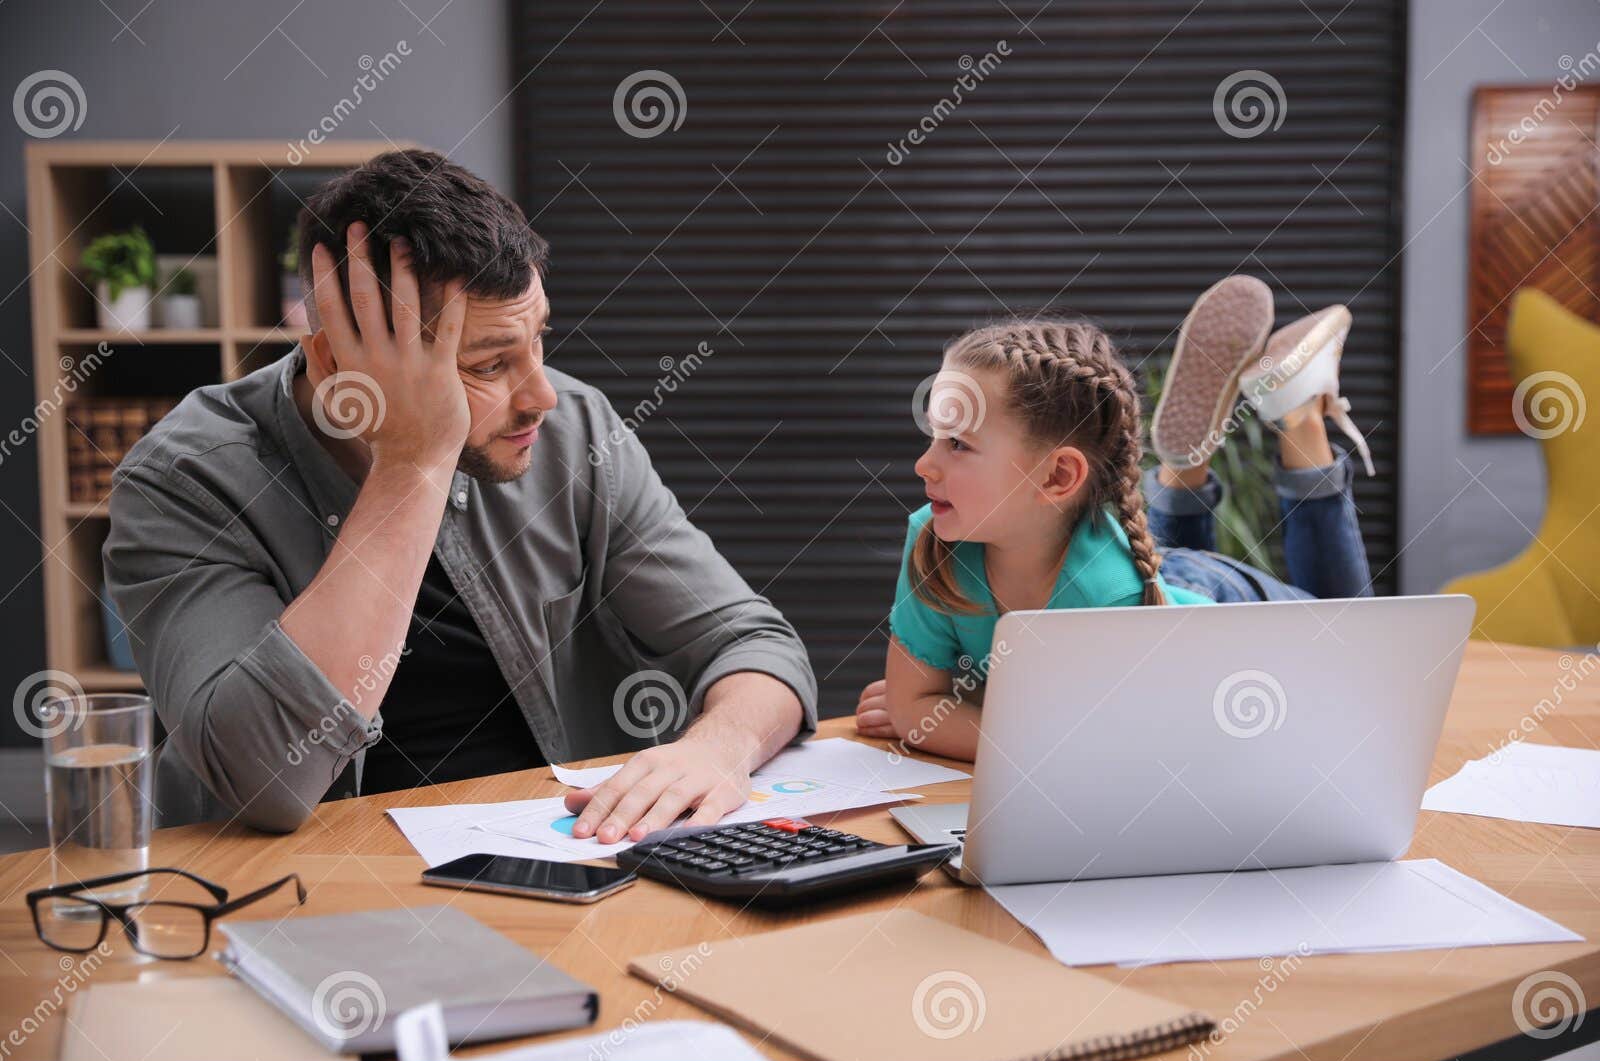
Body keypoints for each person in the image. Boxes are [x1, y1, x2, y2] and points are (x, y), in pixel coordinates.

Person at [105, 148, 816, 837]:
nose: (542, 394)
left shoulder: (574, 436)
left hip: (553, 860)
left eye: (538, 339)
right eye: (490, 362)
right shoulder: (185, 479)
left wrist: (715, 747)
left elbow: (754, 643)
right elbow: (264, 780)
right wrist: (413, 460)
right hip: (299, 895)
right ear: (335, 365)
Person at [853, 274, 1375, 761]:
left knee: (1356, 648)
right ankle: (1183, 467)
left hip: (1214, 604)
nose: (924, 465)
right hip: (1135, 563)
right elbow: (918, 711)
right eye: (934, 438)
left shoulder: (1114, 600)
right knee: (1153, 561)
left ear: (1057, 478)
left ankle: (1300, 413)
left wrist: (970, 709)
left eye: (958, 445)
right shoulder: (934, 542)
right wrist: (963, 711)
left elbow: (1103, 748)